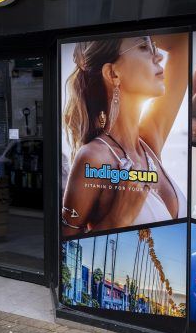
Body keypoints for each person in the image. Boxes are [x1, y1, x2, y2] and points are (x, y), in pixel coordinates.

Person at [62, 34, 188, 236]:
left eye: (153, 47)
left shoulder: (149, 142)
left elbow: (181, 42)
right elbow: (65, 247)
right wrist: (117, 220)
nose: (158, 57)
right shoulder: (93, 158)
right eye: (143, 47)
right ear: (113, 74)